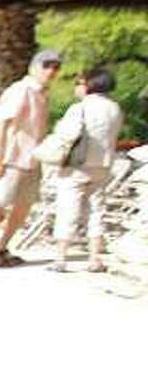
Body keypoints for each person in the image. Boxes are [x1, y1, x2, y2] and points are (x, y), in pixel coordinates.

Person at [0, 50, 62, 266]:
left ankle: (2, 247)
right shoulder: (21, 90)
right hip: (11, 159)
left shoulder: (43, 93)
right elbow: (0, 124)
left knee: (23, 207)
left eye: (55, 67)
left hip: (32, 160)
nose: (51, 71)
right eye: (47, 65)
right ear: (34, 67)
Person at [43, 67, 124, 273]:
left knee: (67, 210)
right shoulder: (115, 108)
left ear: (89, 85)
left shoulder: (80, 108)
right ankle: (95, 258)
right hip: (102, 165)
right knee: (96, 210)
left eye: (79, 83)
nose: (77, 87)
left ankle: (61, 258)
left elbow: (66, 134)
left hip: (76, 166)